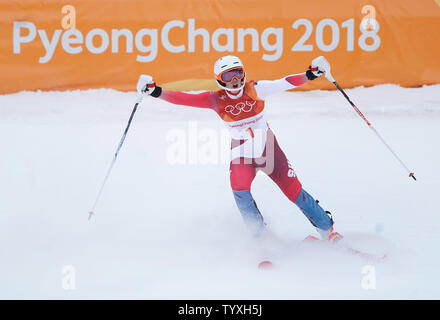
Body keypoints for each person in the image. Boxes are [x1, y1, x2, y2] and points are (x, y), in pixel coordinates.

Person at [136, 55, 343, 243]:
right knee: (240, 191)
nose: (235, 80)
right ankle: (261, 238)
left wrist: (311, 74)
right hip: (242, 156)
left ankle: (328, 230)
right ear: (220, 79)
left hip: (269, 151)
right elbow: (184, 99)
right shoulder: (215, 99)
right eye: (229, 75)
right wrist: (155, 91)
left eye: (238, 73)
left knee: (294, 191)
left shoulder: (256, 89)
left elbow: (285, 82)